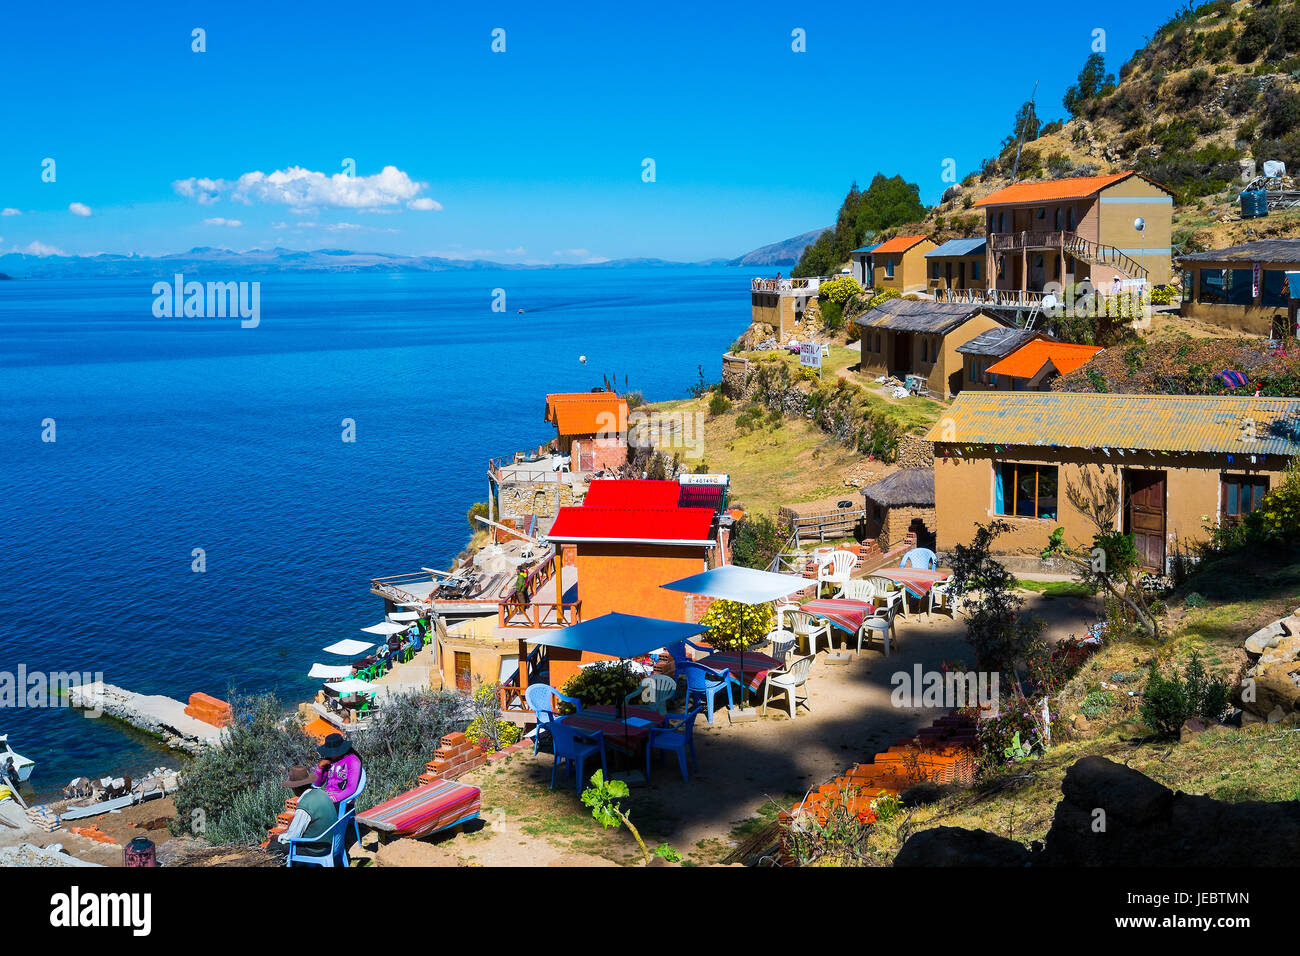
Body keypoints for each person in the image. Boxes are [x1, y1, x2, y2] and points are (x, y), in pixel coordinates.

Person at [276, 765, 336, 861]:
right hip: (332, 843)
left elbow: (292, 837)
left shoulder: (304, 807)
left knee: (274, 846)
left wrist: (278, 837)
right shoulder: (321, 793)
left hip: (316, 850)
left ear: (295, 788)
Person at [313, 733, 363, 804]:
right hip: (327, 797)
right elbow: (317, 784)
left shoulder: (353, 761)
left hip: (343, 800)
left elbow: (351, 788)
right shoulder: (328, 760)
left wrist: (333, 798)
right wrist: (319, 768)